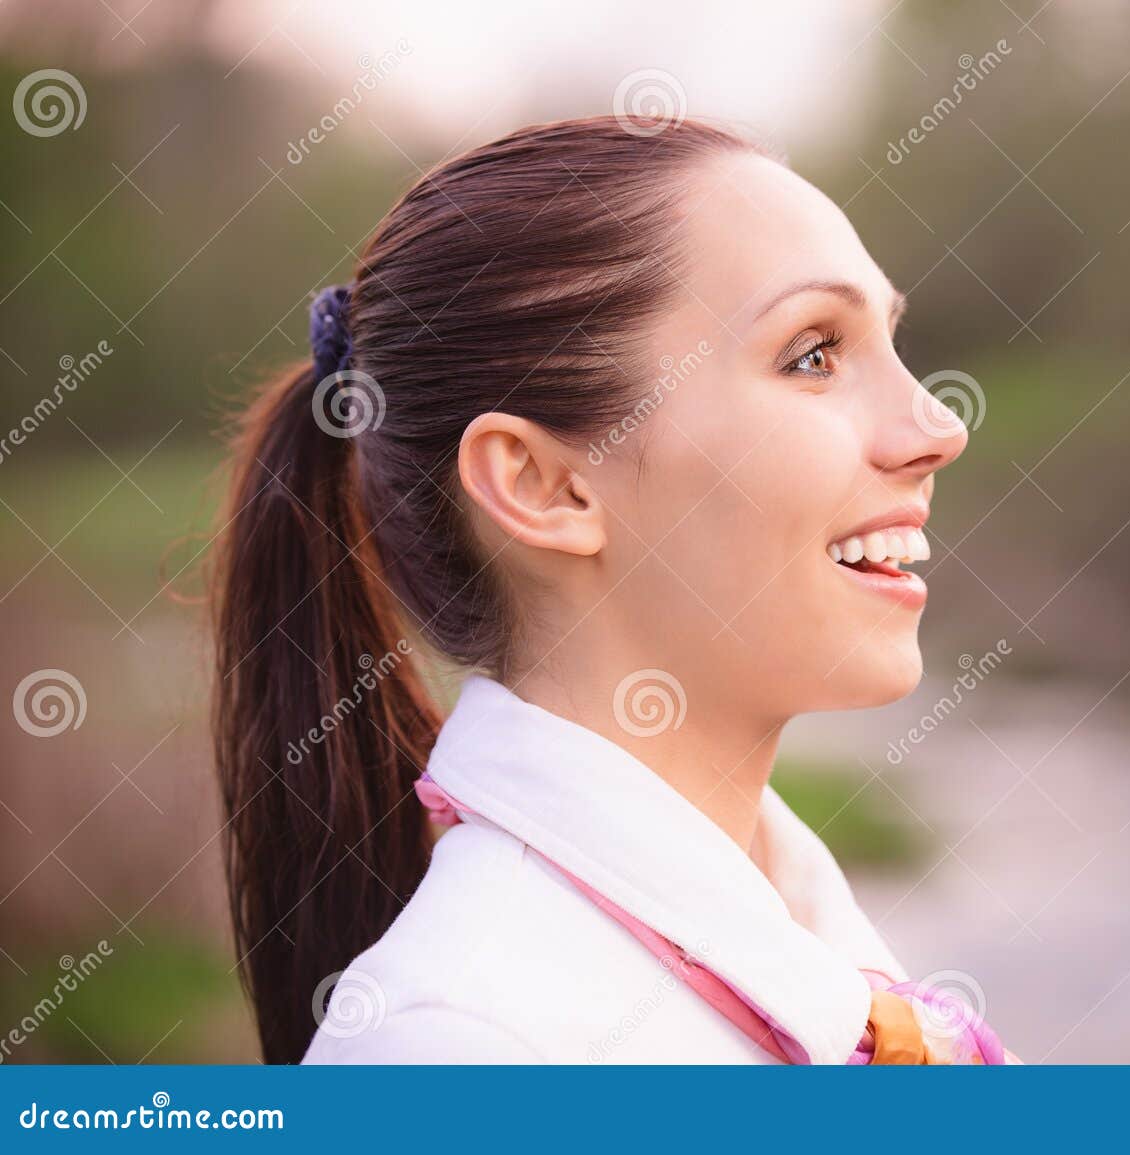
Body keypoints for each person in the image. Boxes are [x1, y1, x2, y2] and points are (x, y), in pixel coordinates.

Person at [211, 115, 1004, 1063]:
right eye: (814, 354)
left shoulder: (830, 961)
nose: (936, 425)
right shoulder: (459, 1049)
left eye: (889, 340)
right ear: (544, 485)